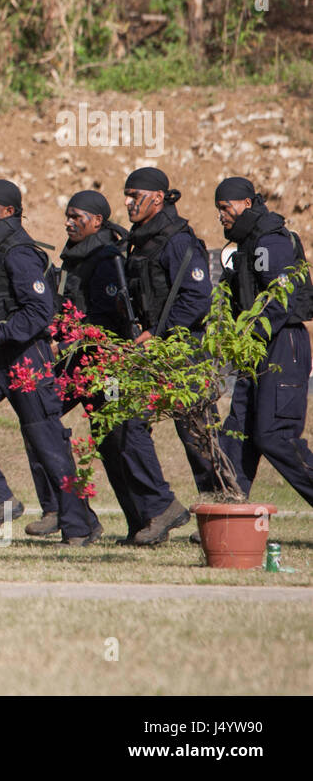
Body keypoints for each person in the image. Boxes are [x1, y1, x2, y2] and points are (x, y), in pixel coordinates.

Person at [0, 179, 101, 544]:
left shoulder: (19, 252)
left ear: (9, 211)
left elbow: (40, 311)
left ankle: (80, 526)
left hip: (27, 356)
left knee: (45, 438)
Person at [22, 190, 185, 544]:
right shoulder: (77, 259)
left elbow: (110, 319)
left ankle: (157, 509)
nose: (68, 222)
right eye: (67, 215)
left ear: (97, 221)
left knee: (119, 433)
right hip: (80, 360)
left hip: (108, 362)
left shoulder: (107, 259)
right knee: (38, 416)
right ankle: (68, 512)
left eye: (76, 216)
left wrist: (69, 339)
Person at [120, 167, 210, 543]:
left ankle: (221, 508)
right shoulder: (139, 241)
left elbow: (196, 298)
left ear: (157, 198)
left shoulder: (177, 240)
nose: (127, 202)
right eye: (125, 194)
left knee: (197, 433)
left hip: (181, 349)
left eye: (134, 194)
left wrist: (158, 335)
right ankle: (162, 507)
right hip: (149, 349)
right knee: (126, 422)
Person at [214, 177, 313, 507]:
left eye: (225, 208)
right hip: (254, 346)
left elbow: (279, 300)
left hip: (282, 343)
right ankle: (227, 510)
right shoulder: (247, 244)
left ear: (245, 204)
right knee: (237, 431)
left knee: (274, 436)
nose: (221, 216)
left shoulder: (270, 240)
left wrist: (250, 333)